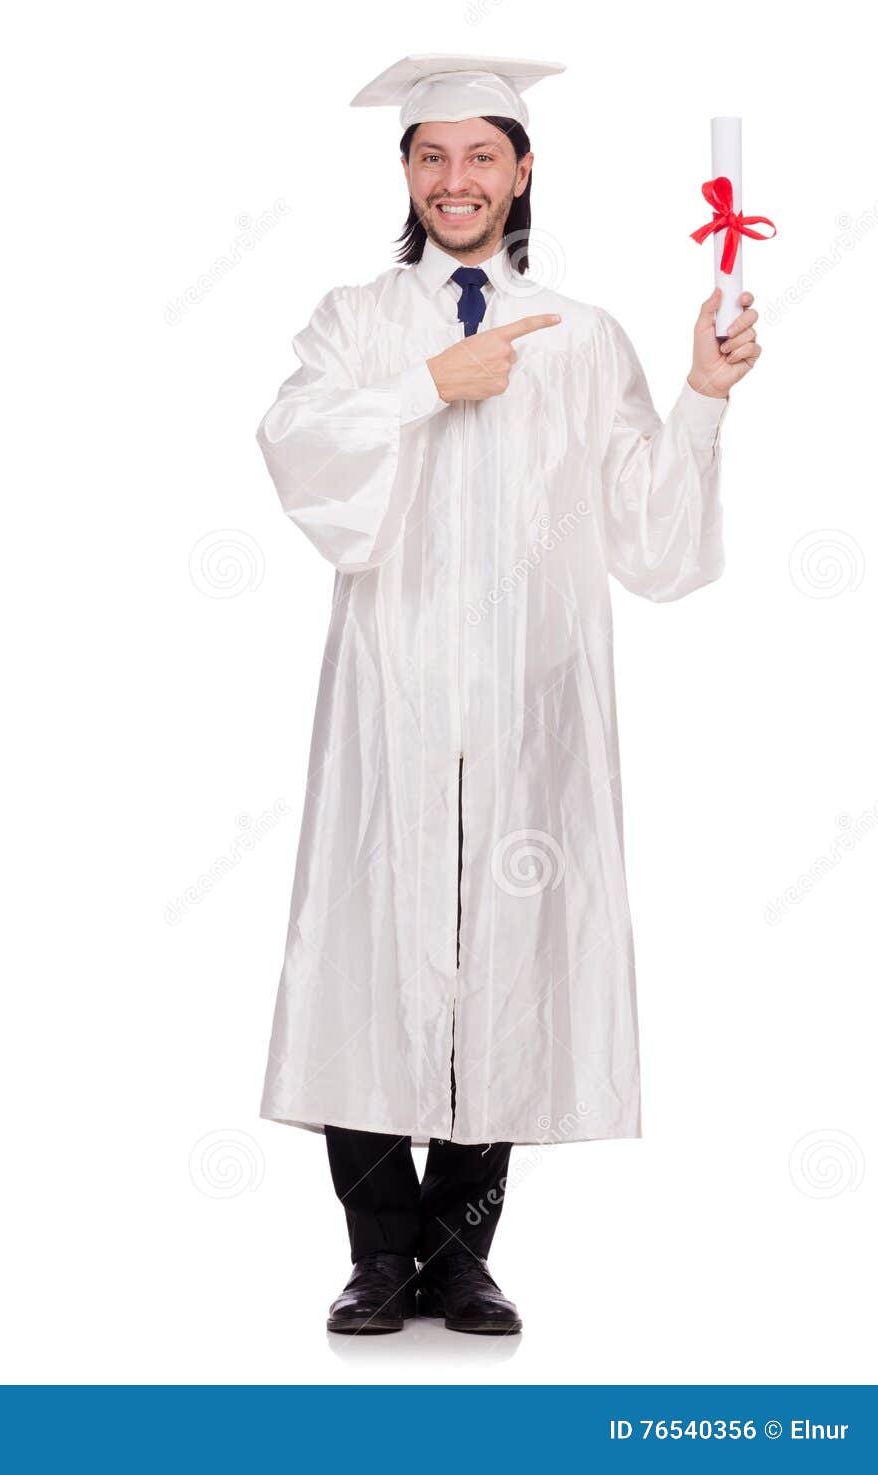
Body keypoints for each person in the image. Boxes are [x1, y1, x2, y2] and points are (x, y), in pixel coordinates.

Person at [254, 54, 760, 1336]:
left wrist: (703, 393)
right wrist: (431, 384)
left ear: (522, 171)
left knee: (507, 957)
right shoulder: (357, 322)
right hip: (393, 697)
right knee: (373, 954)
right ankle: (377, 1254)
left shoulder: (582, 336)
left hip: (534, 705)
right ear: (406, 175)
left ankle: (460, 1253)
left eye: (481, 156)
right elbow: (297, 448)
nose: (456, 179)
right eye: (431, 157)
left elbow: (651, 532)